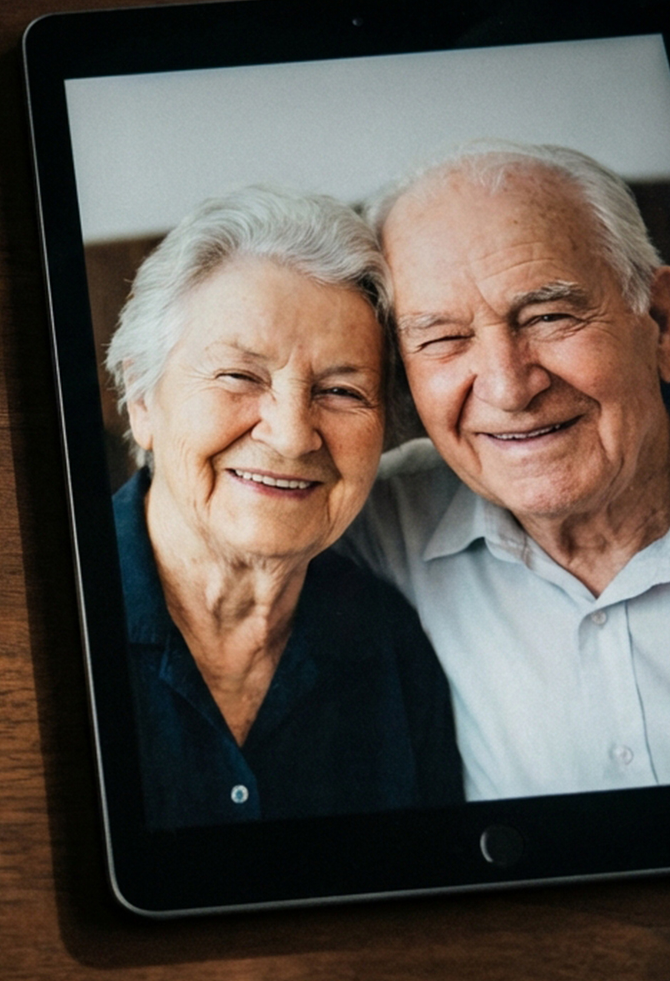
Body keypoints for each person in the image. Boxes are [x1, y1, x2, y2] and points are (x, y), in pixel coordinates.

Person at [347, 141, 670, 801]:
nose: (509, 388)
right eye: (441, 338)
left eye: (549, 316)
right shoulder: (369, 524)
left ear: (661, 323)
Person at [103, 184, 462, 829]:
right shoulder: (48, 613)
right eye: (240, 376)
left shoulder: (389, 644)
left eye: (342, 390)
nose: (293, 434)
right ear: (141, 397)